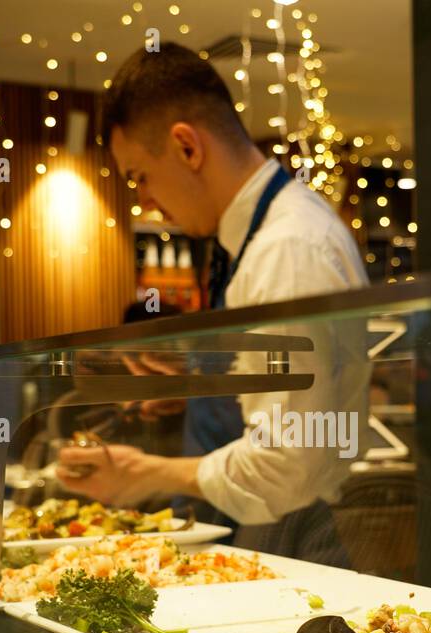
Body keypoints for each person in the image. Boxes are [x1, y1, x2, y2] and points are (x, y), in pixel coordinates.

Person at [56, 45, 369, 562]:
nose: (144, 202)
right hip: (272, 525)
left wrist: (141, 473)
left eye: (140, 177)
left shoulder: (284, 249)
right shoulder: (262, 236)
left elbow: (285, 463)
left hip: (299, 532)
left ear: (186, 147)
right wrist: (202, 386)